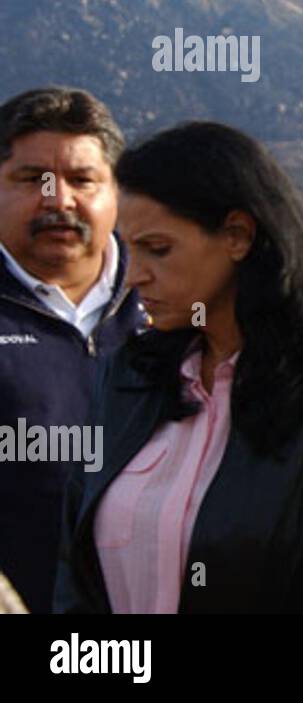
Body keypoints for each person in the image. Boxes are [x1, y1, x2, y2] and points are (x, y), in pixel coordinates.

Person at [54, 122, 303, 613]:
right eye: (129, 249)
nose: (135, 274)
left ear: (237, 235)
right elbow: (74, 576)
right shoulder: (126, 374)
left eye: (159, 249)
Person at [0, 88, 145, 614]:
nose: (57, 199)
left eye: (83, 180)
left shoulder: (179, 302)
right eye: (29, 178)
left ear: (117, 192)